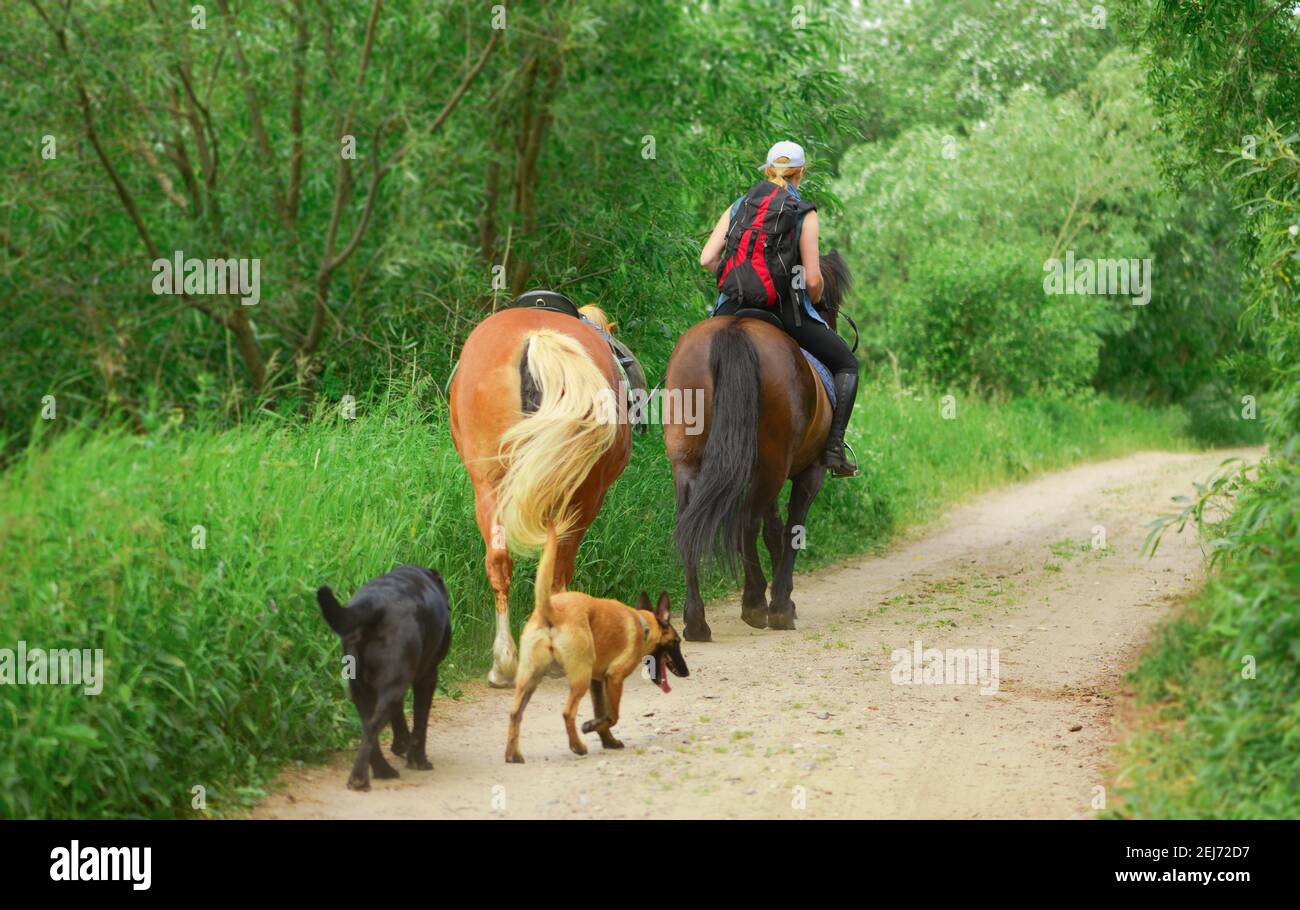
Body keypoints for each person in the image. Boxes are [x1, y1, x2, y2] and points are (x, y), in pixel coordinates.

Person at [699, 140, 859, 477]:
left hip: (732, 305)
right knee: (847, 364)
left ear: (767, 170)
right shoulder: (805, 212)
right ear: (801, 173)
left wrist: (737, 284)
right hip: (784, 309)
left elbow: (707, 258)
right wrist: (811, 299)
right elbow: (814, 280)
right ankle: (834, 450)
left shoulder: (739, 205)